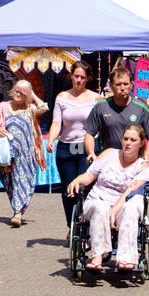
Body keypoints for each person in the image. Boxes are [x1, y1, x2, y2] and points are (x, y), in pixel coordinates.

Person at [67, 124, 149, 272]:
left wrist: (113, 210)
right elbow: (89, 176)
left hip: (124, 204)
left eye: (133, 140)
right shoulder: (109, 154)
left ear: (141, 144)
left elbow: (130, 192)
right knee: (101, 208)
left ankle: (126, 259)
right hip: (98, 200)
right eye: (125, 138)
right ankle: (97, 257)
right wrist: (76, 180)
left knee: (133, 206)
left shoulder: (143, 166)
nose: (128, 143)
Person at [45, 61, 101, 223]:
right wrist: (51, 139)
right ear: (71, 76)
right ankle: (72, 226)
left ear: (88, 79)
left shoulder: (95, 98)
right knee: (68, 191)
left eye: (82, 77)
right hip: (66, 147)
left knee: (84, 188)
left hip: (87, 147)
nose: (79, 80)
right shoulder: (62, 97)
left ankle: (86, 226)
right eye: (76, 76)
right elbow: (57, 123)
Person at [0, 80, 46, 227]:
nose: (18, 94)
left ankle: (17, 214)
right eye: (16, 90)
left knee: (23, 181)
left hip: (26, 156)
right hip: (7, 156)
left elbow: (44, 107)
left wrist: (32, 94)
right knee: (10, 184)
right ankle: (17, 209)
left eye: (22, 92)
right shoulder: (3, 107)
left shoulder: (30, 109)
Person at [84, 66, 149, 162]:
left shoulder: (142, 108)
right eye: (118, 84)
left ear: (131, 85)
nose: (122, 88)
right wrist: (91, 153)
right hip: (108, 161)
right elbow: (89, 133)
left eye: (126, 84)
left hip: (134, 161)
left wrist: (147, 156)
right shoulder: (101, 107)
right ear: (110, 85)